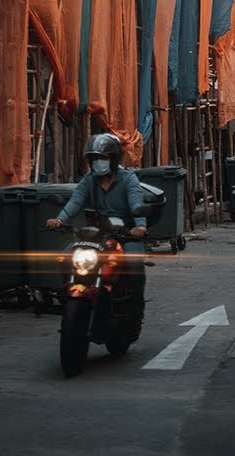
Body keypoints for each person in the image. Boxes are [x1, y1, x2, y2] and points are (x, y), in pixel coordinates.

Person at [46, 133, 149, 332]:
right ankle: (69, 300)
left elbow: (137, 203)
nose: (97, 163)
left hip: (125, 234)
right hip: (95, 235)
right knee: (66, 256)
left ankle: (136, 312)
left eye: (102, 159)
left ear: (113, 159)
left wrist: (140, 227)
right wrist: (60, 220)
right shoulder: (89, 180)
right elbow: (75, 202)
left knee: (135, 264)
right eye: (94, 159)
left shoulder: (129, 179)